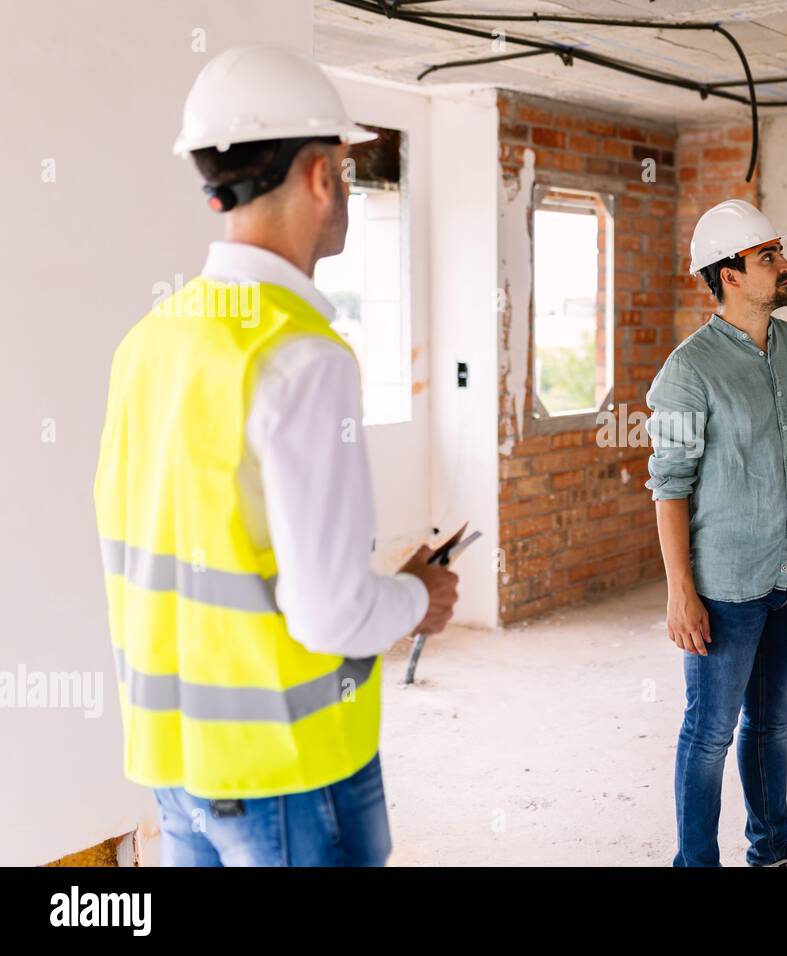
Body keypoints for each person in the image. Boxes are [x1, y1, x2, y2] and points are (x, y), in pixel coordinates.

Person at [92, 46, 457, 866]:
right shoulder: (303, 358)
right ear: (321, 175)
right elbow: (331, 616)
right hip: (291, 772)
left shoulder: (148, 342)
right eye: (348, 172)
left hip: (178, 769)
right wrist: (417, 597)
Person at [645, 198, 787, 867]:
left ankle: (772, 853)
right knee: (709, 734)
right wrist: (680, 593)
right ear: (730, 275)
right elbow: (668, 485)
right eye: (768, 258)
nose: (786, 267)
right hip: (726, 588)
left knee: (772, 727)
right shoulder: (688, 370)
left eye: (779, 254)